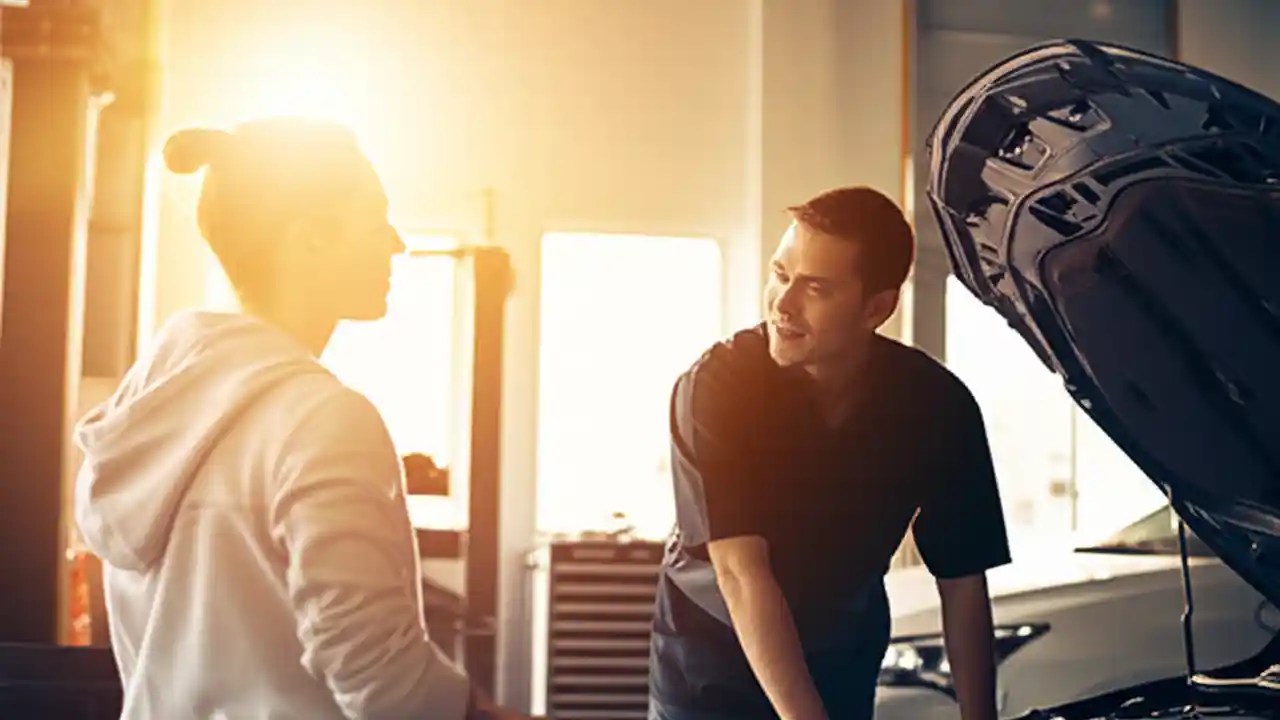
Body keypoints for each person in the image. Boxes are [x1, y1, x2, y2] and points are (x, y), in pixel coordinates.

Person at [73, 118, 535, 720]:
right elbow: (386, 688)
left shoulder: (146, 409)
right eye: (376, 222)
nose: (396, 243)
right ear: (308, 238)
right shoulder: (323, 420)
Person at [649, 186, 1010, 720]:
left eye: (815, 287)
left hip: (841, 653)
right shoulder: (715, 387)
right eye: (780, 274)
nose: (783, 304)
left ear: (877, 308)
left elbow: (962, 584)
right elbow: (743, 576)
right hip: (710, 664)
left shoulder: (938, 407)